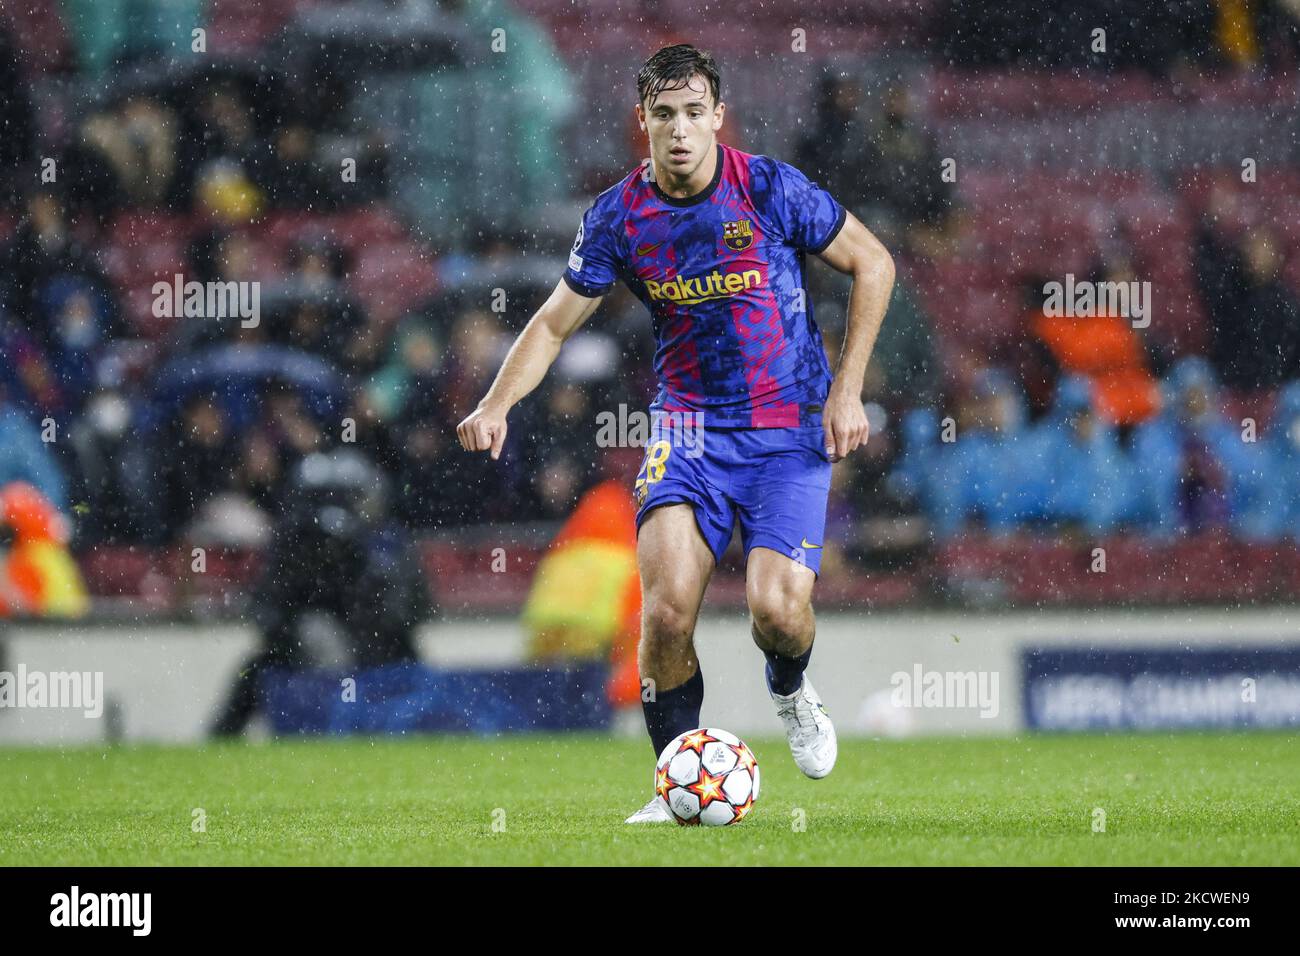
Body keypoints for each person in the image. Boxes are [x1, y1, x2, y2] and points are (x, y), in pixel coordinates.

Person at [456, 44, 894, 823]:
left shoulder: (767, 187)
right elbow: (555, 324)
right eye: (665, 115)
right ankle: (675, 782)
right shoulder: (620, 215)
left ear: (718, 118)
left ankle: (789, 690)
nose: (681, 130)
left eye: (695, 113)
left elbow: (874, 263)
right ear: (645, 123)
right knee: (663, 613)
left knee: (777, 612)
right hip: (687, 430)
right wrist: (496, 405)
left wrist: (849, 388)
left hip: (787, 429)